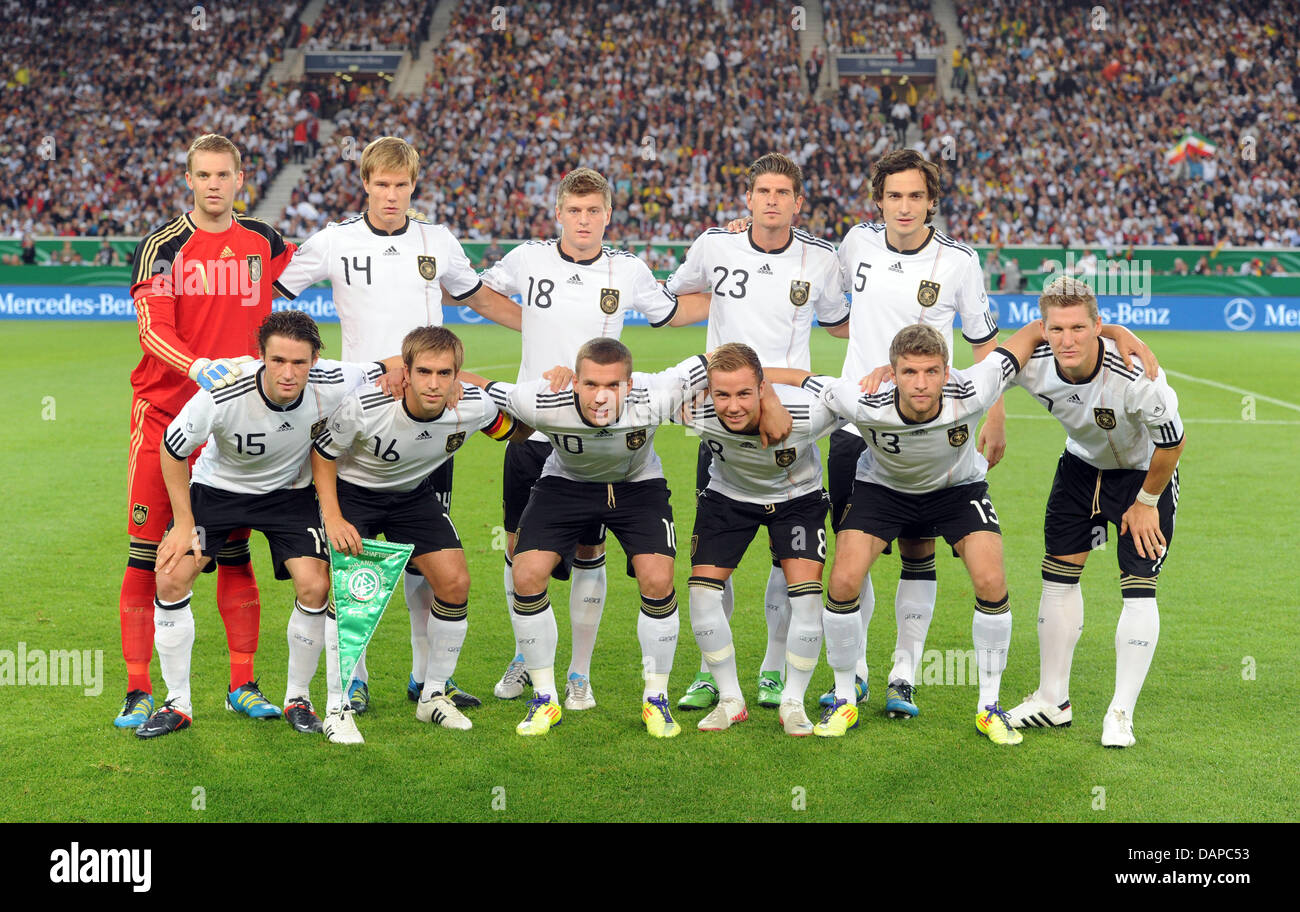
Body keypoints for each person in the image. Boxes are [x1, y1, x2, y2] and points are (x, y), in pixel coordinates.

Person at [274, 136, 523, 715]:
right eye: (381, 185)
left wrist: (548, 330)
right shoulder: (334, 241)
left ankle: (423, 678)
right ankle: (354, 678)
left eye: (401, 185)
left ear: (415, 187)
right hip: (361, 408)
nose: (391, 195)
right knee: (352, 562)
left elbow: (480, 298)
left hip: (429, 411)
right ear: (365, 184)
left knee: (423, 557)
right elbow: (277, 297)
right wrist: (332, 367)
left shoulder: (436, 240)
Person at [477, 167, 709, 711]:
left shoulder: (626, 269)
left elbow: (670, 314)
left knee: (588, 549)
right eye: (574, 211)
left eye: (593, 211)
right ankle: (526, 656)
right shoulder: (526, 259)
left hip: (598, 432)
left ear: (608, 215)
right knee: (518, 551)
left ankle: (578, 673)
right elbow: (477, 294)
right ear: (558, 213)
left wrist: (735, 286)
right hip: (536, 430)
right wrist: (530, 324)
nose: (584, 221)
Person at [469, 339, 781, 738]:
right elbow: (471, 384)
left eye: (613, 386)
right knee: (526, 574)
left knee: (657, 579)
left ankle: (656, 700)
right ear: (575, 383)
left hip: (638, 487)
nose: (601, 397)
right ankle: (545, 698)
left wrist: (768, 396)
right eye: (591, 384)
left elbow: (730, 356)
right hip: (565, 484)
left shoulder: (661, 391)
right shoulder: (542, 398)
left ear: (630, 384)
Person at [766, 323, 1047, 742]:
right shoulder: (864, 400)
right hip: (883, 491)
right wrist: (750, 381)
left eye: (931, 371)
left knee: (991, 580)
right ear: (892, 372)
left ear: (947, 372)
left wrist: (1118, 334)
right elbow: (803, 379)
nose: (921, 383)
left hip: (956, 489)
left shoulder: (973, 388)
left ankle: (989, 707)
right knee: (843, 580)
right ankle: (845, 697)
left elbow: (1030, 337)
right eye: (910, 372)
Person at [136, 311, 401, 743]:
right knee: (169, 578)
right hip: (217, 492)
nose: (288, 373)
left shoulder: (335, 379)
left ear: (316, 359)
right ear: (260, 356)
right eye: (277, 361)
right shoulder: (224, 389)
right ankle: (177, 702)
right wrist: (184, 522)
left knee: (314, 586)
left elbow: (395, 363)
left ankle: (299, 699)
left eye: (299, 362)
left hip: (288, 495)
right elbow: (171, 448)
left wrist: (417, 378)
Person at [114, 133, 296, 730]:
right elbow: (151, 329)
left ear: (240, 180)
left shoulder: (265, 242)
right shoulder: (163, 247)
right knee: (150, 554)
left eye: (224, 175)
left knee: (235, 551)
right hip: (167, 413)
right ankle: (140, 690)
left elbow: (319, 270)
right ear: (188, 179)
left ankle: (242, 683)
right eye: (203, 175)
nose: (214, 185)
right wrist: (198, 368)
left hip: (238, 424)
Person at [826, 149, 1004, 722]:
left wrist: (994, 417)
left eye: (915, 196)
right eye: (894, 196)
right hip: (859, 425)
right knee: (857, 553)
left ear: (932, 201)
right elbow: (831, 314)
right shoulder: (855, 243)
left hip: (933, 429)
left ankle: (904, 670)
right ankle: (852, 673)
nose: (905, 206)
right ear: (878, 200)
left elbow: (983, 343)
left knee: (918, 549)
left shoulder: (959, 262)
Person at [667, 152, 842, 714]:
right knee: (718, 546)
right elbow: (678, 299)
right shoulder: (715, 245)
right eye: (761, 191)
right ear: (748, 199)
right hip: (725, 416)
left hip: (791, 420)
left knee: (784, 558)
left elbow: (841, 323)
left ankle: (770, 668)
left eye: (781, 192)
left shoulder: (822, 259)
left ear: (797, 201)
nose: (771, 201)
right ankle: (709, 672)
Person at [311, 326, 533, 732]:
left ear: (457, 377)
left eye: (444, 374)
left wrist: (536, 407)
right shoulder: (368, 404)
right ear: (405, 373)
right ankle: (341, 699)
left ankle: (432, 695)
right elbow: (323, 453)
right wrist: (333, 517)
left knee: (454, 582)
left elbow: (517, 431)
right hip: (353, 493)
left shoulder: (474, 406)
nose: (434, 384)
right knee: (350, 591)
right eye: (424, 372)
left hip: (412, 496)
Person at [1005, 276, 1184, 748]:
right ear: (1044, 330)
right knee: (1057, 576)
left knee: (1139, 588)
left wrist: (1146, 502)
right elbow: (990, 365)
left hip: (1144, 474)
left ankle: (1120, 713)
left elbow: (1173, 443)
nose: (1068, 339)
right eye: (1057, 329)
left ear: (1098, 327)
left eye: (1079, 328)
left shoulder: (1137, 376)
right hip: (1081, 469)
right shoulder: (1034, 361)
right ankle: (1052, 700)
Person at [684, 344, 844, 735]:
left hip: (797, 500)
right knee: (703, 594)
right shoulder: (693, 410)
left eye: (744, 394)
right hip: (727, 498)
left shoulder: (811, 412)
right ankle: (730, 699)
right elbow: (623, 395)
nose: (733, 406)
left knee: (806, 598)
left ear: (761, 388)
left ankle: (792, 701)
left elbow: (860, 403)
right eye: (722, 394)